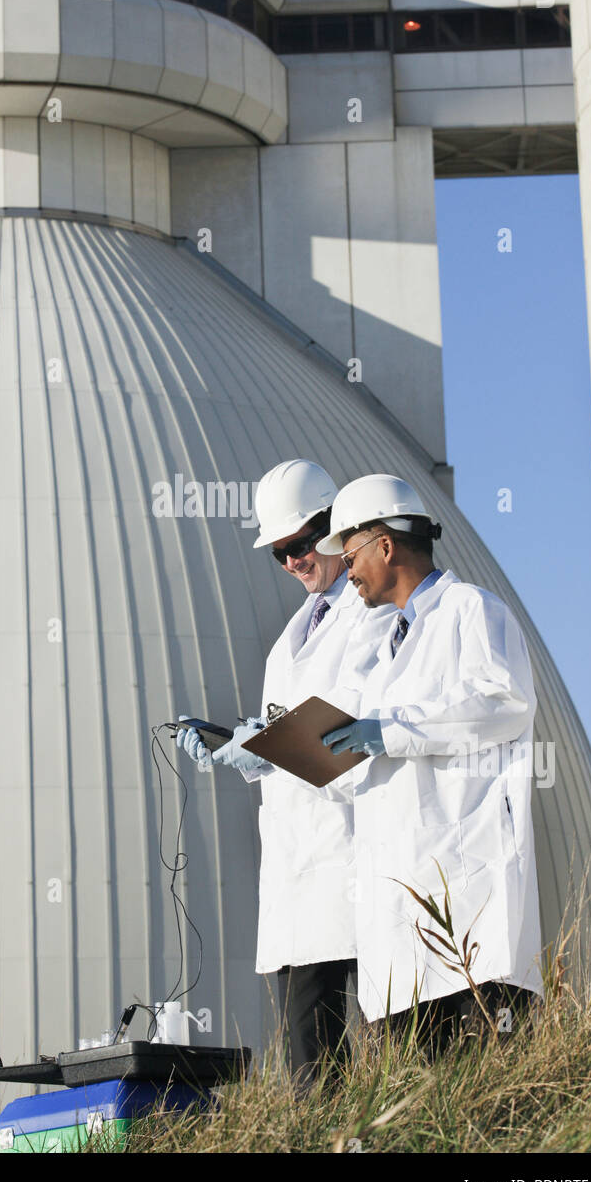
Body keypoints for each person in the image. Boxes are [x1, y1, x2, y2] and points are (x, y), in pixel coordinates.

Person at [177, 460, 395, 1086]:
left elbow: (355, 726)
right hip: (300, 869)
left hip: (358, 849)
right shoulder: (288, 644)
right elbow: (292, 729)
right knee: (310, 1058)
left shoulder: (374, 616)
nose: (296, 561)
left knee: (392, 1037)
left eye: (303, 544)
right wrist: (242, 744)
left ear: (334, 527)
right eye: (281, 553)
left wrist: (267, 744)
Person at [318, 474, 543, 1052]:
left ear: (386, 546)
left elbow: (505, 703)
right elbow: (380, 760)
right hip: (399, 930)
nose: (347, 571)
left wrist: (389, 732)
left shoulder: (471, 611)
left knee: (492, 1100)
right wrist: (305, 758)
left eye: (350, 555)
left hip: (468, 908)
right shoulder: (384, 649)